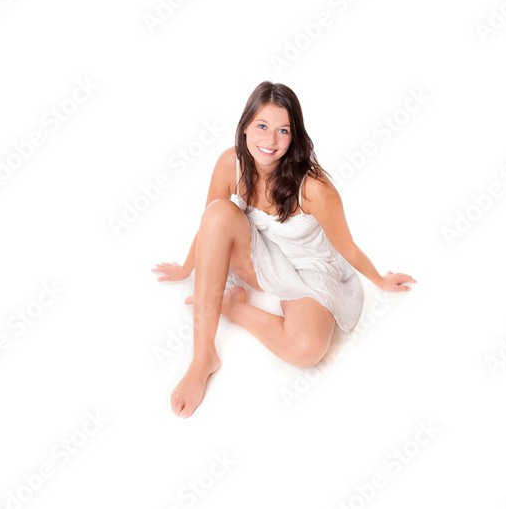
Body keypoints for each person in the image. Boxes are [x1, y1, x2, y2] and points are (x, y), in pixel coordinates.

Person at [155, 81, 415, 418]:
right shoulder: (229, 164)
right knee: (220, 212)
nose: (270, 140)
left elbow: (346, 246)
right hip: (260, 257)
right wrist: (186, 268)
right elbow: (210, 225)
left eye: (283, 131)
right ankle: (203, 357)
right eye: (262, 126)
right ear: (245, 126)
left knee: (305, 351)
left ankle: (232, 307)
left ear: (294, 137)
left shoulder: (314, 188)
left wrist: (380, 280)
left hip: (310, 269)